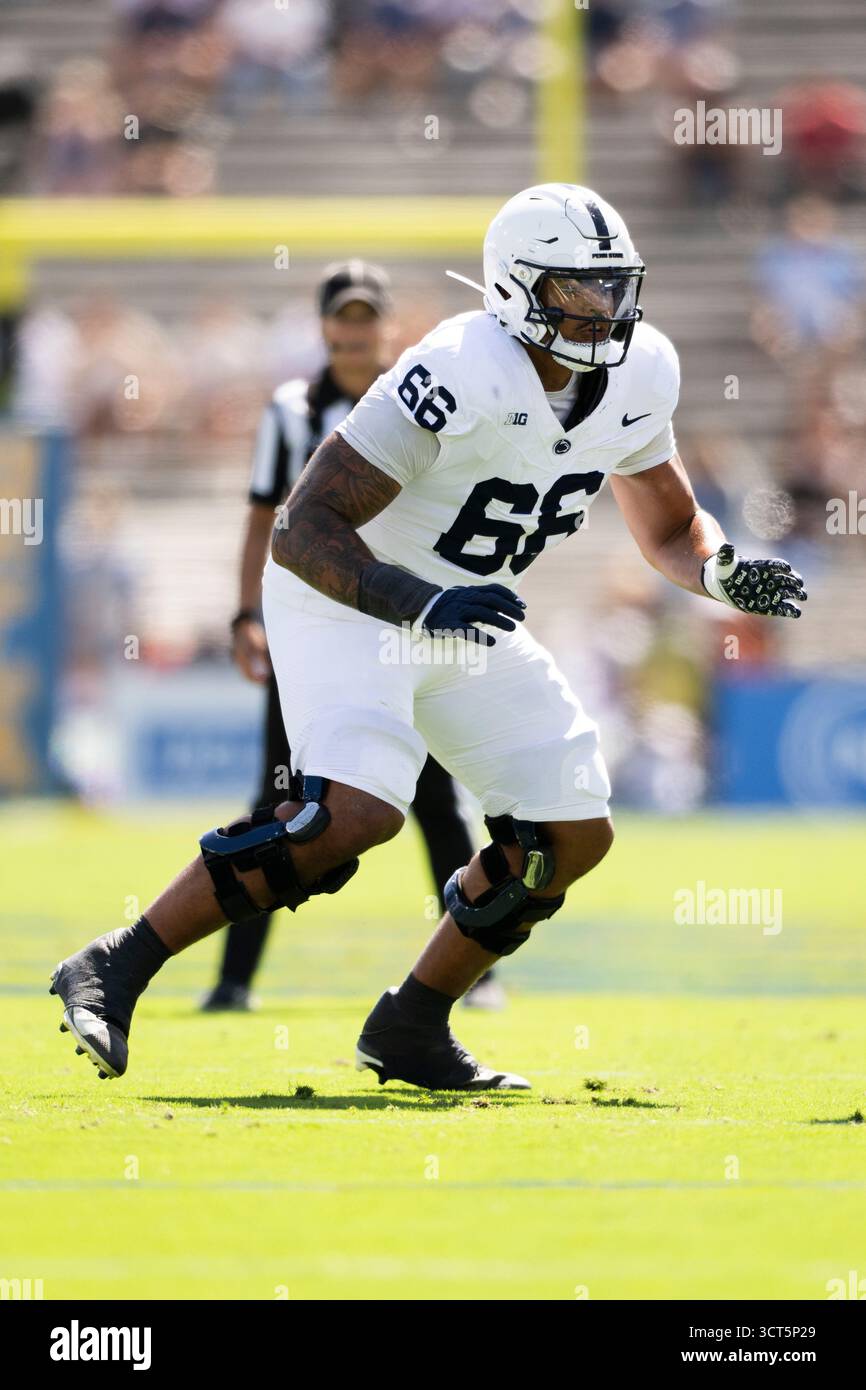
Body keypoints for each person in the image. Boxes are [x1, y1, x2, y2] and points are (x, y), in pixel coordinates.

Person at [51, 183, 808, 1091]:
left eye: (613, 287)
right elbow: (305, 526)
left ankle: (411, 1026)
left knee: (568, 832)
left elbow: (668, 524)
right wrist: (412, 600)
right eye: (578, 288)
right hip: (347, 595)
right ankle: (114, 963)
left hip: (464, 608)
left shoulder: (643, 372)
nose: (603, 310)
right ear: (517, 290)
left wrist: (721, 570)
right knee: (350, 818)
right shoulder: (459, 368)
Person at [201, 259, 503, 1012]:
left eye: (369, 317)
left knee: (434, 797)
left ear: (387, 325)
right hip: (310, 623)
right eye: (345, 316)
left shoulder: (420, 399)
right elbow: (264, 515)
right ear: (324, 325)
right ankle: (235, 980)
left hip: (400, 621)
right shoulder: (292, 409)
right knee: (280, 791)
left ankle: (476, 972)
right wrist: (247, 614)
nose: (356, 331)